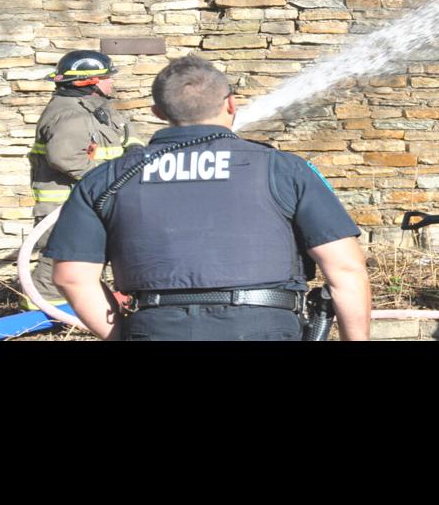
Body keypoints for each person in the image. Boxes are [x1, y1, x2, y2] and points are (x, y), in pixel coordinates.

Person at [44, 55, 371, 341]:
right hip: (266, 326)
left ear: (157, 112)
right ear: (231, 104)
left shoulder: (109, 178)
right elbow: (345, 267)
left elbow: (71, 276)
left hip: (155, 327)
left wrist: (123, 336)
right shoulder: (284, 169)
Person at [26, 50, 137, 307]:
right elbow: (65, 158)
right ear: (89, 82)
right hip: (65, 204)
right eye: (106, 77)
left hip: (88, 201)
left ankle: (85, 307)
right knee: (59, 259)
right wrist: (112, 178)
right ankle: (38, 315)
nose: (112, 81)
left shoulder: (97, 108)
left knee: (88, 257)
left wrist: (135, 149)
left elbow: (126, 132)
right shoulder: (69, 115)